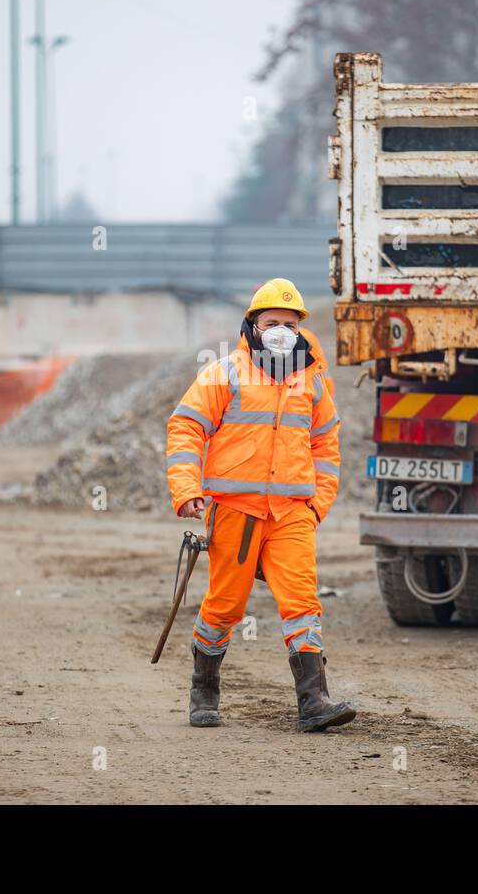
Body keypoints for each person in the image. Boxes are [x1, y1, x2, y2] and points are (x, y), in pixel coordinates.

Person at [166, 278, 355, 732]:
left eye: (290, 324)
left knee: (302, 602)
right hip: (235, 511)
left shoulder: (310, 381)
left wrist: (316, 506)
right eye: (272, 322)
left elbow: (326, 444)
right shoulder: (224, 373)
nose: (281, 330)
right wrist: (186, 488)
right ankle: (204, 688)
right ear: (252, 324)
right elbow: (185, 429)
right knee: (225, 606)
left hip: (292, 514)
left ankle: (314, 702)